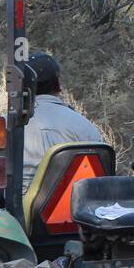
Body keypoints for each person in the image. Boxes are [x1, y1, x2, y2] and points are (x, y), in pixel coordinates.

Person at [21, 52, 103, 192]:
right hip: (73, 209)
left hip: (16, 210)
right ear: (58, 84)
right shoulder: (86, 127)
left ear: (23, 86)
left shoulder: (5, 125)